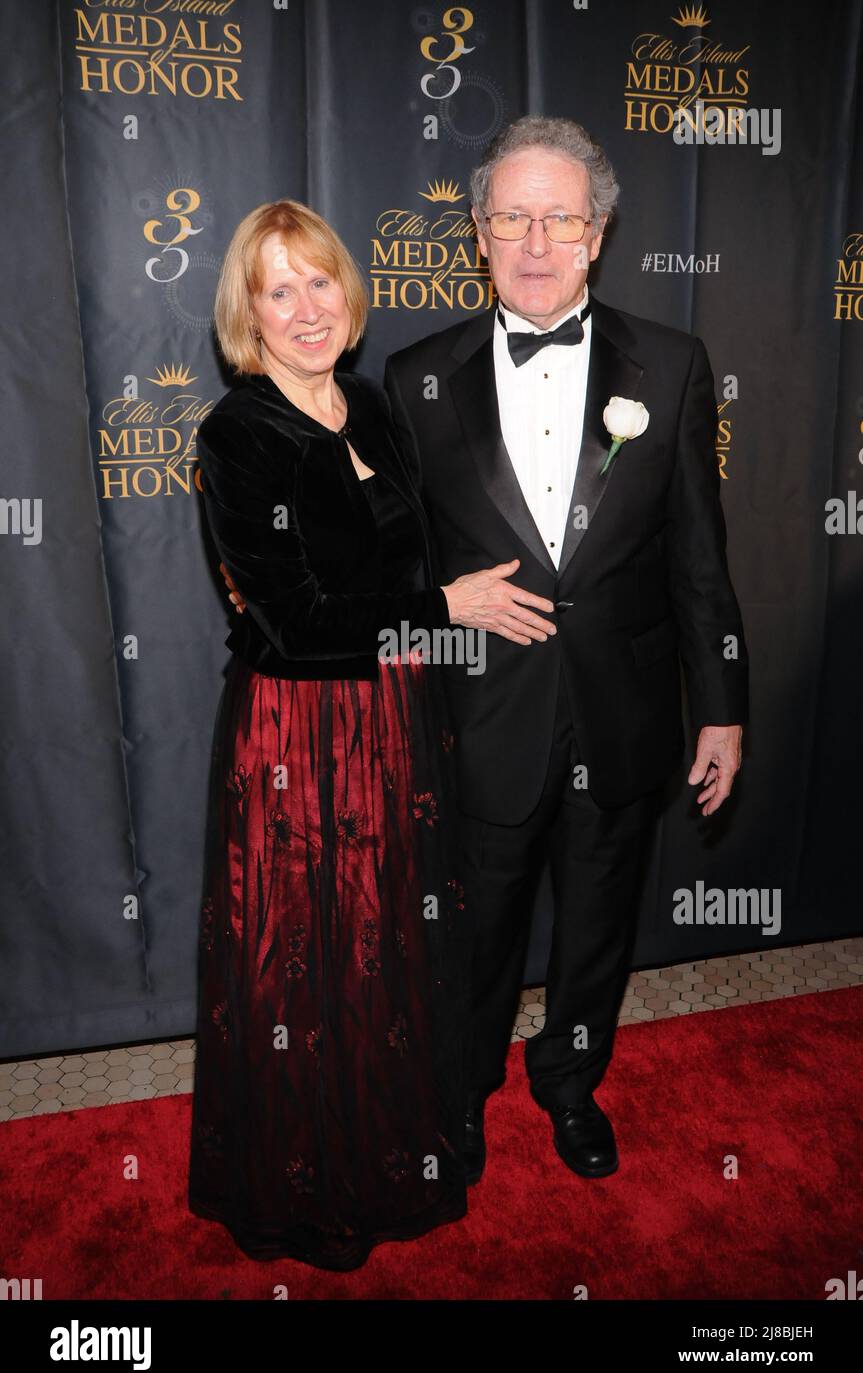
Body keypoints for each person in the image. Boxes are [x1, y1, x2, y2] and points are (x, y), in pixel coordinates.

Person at [381, 116, 750, 1183]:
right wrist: (437, 600)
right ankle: (459, 1094)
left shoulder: (672, 364)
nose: (533, 242)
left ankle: (568, 1083)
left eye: (558, 218)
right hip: (478, 720)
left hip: (622, 710)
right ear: (476, 233)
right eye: (509, 217)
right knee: (474, 935)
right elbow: (383, 571)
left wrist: (719, 704)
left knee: (596, 930)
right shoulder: (415, 377)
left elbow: (698, 558)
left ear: (596, 234)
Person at [188, 197, 554, 1270]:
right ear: (247, 316)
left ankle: (393, 1149)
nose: (306, 309)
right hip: (296, 737)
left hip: (395, 719)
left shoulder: (373, 406)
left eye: (320, 282)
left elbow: (412, 561)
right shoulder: (237, 436)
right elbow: (290, 623)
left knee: (386, 948)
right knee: (302, 962)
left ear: (349, 296)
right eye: (278, 290)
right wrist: (447, 608)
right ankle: (305, 1183)